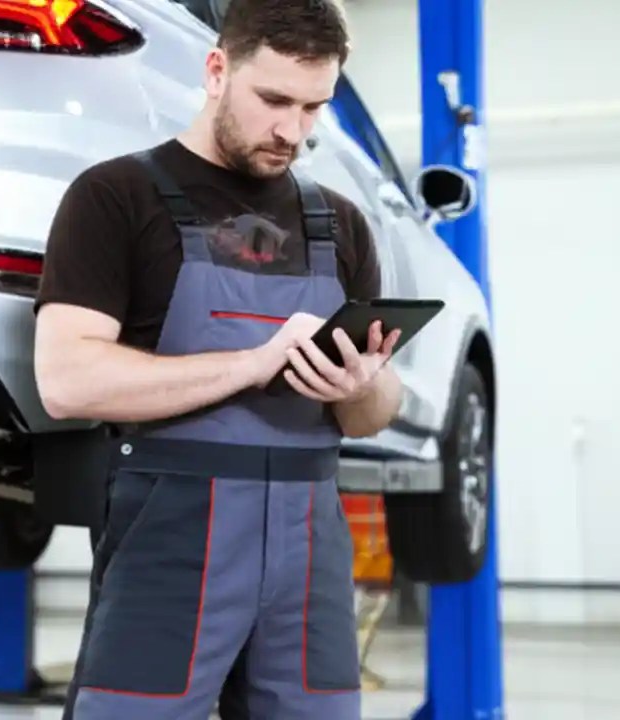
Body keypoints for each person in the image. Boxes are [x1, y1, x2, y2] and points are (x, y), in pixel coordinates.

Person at [32, 0, 403, 717]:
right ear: (215, 71)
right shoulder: (115, 197)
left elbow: (372, 415)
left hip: (309, 544)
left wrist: (361, 386)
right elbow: (66, 380)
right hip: (172, 532)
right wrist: (252, 363)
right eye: (274, 100)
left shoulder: (341, 224)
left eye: (313, 108)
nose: (292, 130)